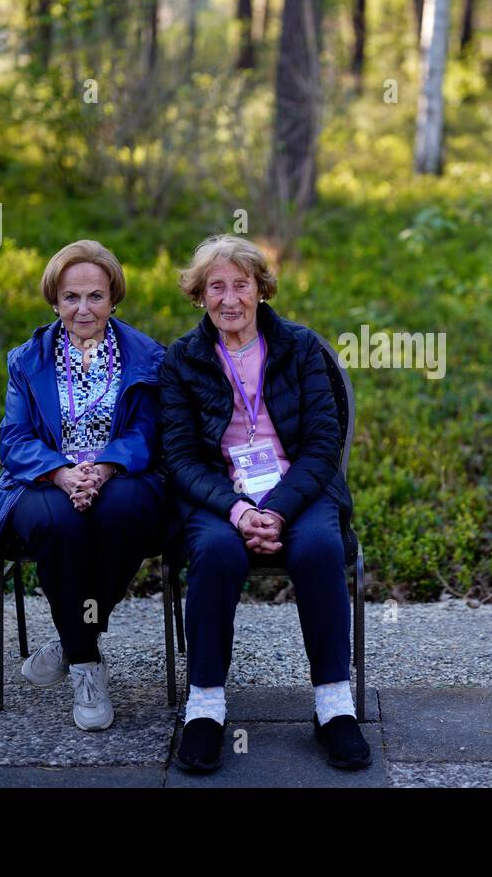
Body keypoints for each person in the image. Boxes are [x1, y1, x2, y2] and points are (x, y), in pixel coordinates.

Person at [159, 234, 370, 772]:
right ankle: (204, 705)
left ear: (260, 288)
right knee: (217, 554)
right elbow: (180, 457)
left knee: (321, 548)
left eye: (241, 284)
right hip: (219, 497)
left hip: (298, 491)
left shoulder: (300, 348)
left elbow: (323, 444)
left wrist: (275, 509)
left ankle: (333, 706)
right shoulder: (182, 360)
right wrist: (237, 510)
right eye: (216, 287)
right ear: (200, 294)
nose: (229, 298)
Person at [0, 240, 167, 732]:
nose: (83, 309)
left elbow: (149, 433)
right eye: (71, 298)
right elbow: (14, 440)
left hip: (122, 478)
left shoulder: (147, 357)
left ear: (114, 297)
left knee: (119, 510)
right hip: (43, 480)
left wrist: (103, 468)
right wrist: (62, 474)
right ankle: (87, 664)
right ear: (55, 301)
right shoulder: (27, 360)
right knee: (59, 521)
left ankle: (69, 641)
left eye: (95, 297)